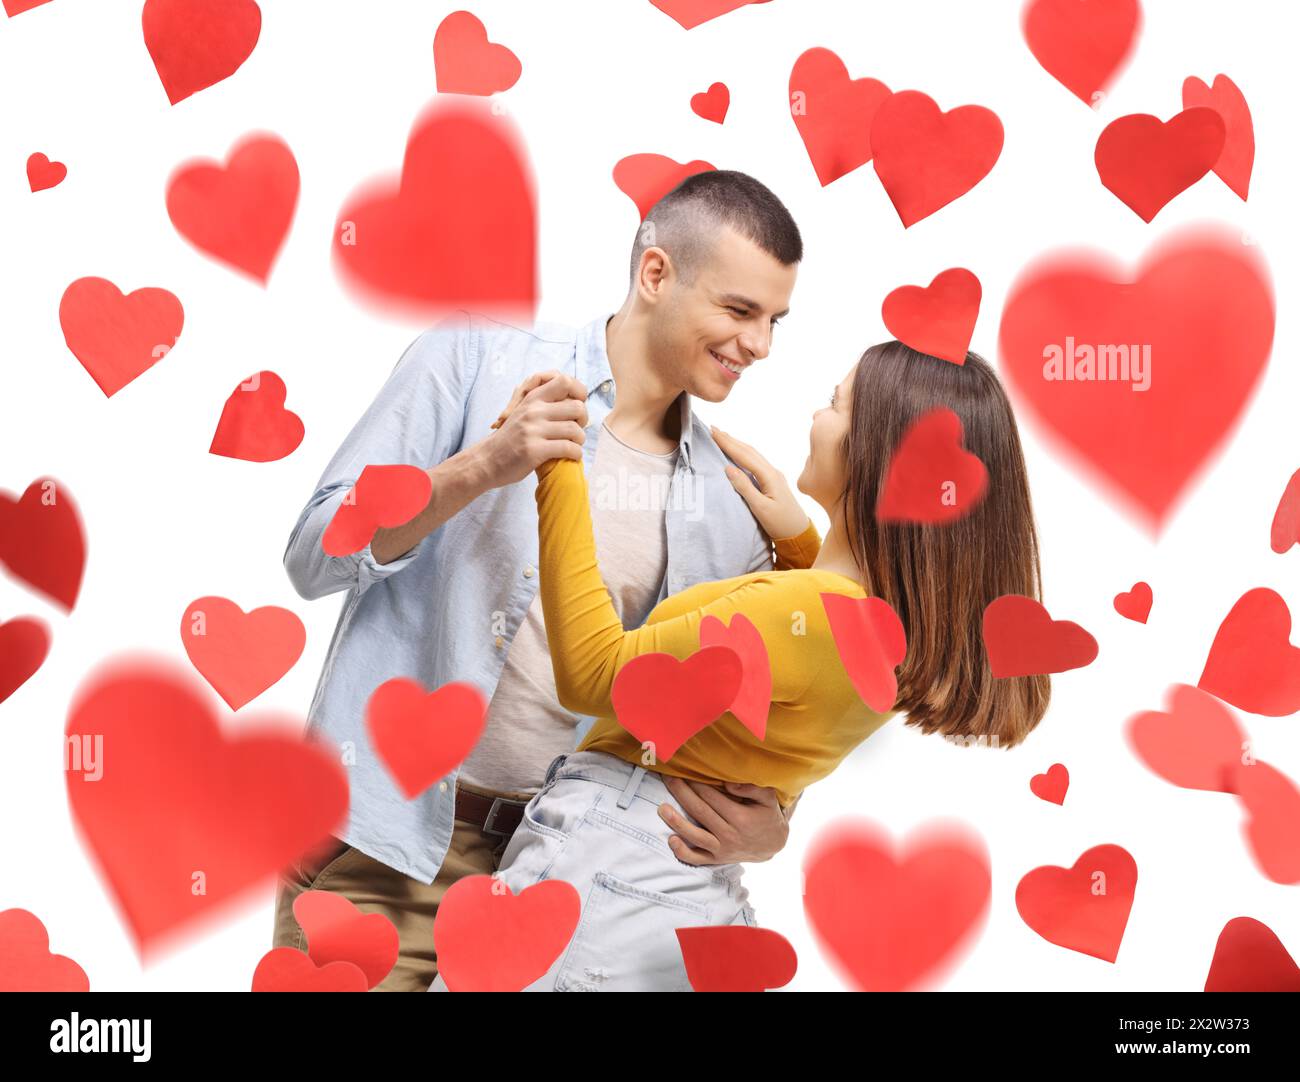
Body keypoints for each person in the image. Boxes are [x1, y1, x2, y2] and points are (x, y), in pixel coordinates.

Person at [271, 170, 816, 990]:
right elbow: (314, 553)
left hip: (578, 883)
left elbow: (754, 717)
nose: (760, 346)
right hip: (392, 850)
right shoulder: (473, 358)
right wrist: (480, 468)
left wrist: (771, 828)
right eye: (740, 311)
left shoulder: (732, 507)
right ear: (656, 273)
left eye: (775, 320)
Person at [431, 339, 1051, 991]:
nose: (818, 417)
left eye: (836, 405)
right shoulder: (882, 634)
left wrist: (557, 467)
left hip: (602, 877)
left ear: (874, 455)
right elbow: (794, 677)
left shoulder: (801, 614)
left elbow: (593, 672)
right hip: (668, 890)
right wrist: (803, 542)